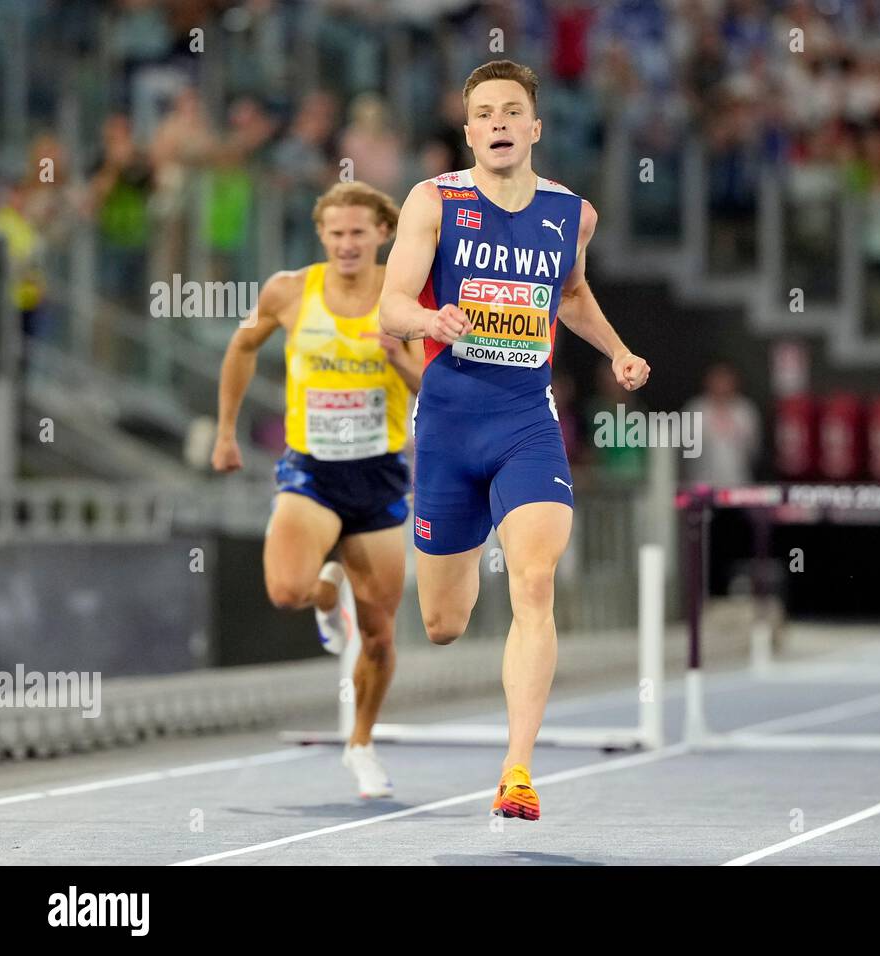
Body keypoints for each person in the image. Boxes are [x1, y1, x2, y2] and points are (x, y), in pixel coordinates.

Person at [379, 59, 649, 821]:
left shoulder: (573, 216)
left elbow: (569, 295)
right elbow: (390, 303)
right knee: (442, 622)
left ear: (535, 127)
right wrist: (427, 320)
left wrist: (618, 351)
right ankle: (446, 585)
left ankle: (518, 769)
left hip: (527, 423)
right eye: (484, 114)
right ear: (469, 132)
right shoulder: (434, 203)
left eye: (511, 112)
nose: (498, 123)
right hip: (447, 427)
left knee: (534, 582)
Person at [212, 182, 424, 799]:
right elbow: (241, 347)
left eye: (358, 233)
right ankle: (326, 596)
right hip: (312, 470)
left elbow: (430, 387)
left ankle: (361, 744)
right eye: (335, 234)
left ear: (382, 233)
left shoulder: (402, 296)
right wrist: (226, 432)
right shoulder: (287, 290)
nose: (346, 244)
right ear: (322, 236)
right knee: (285, 591)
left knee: (381, 634)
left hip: (380, 473)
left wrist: (399, 360)